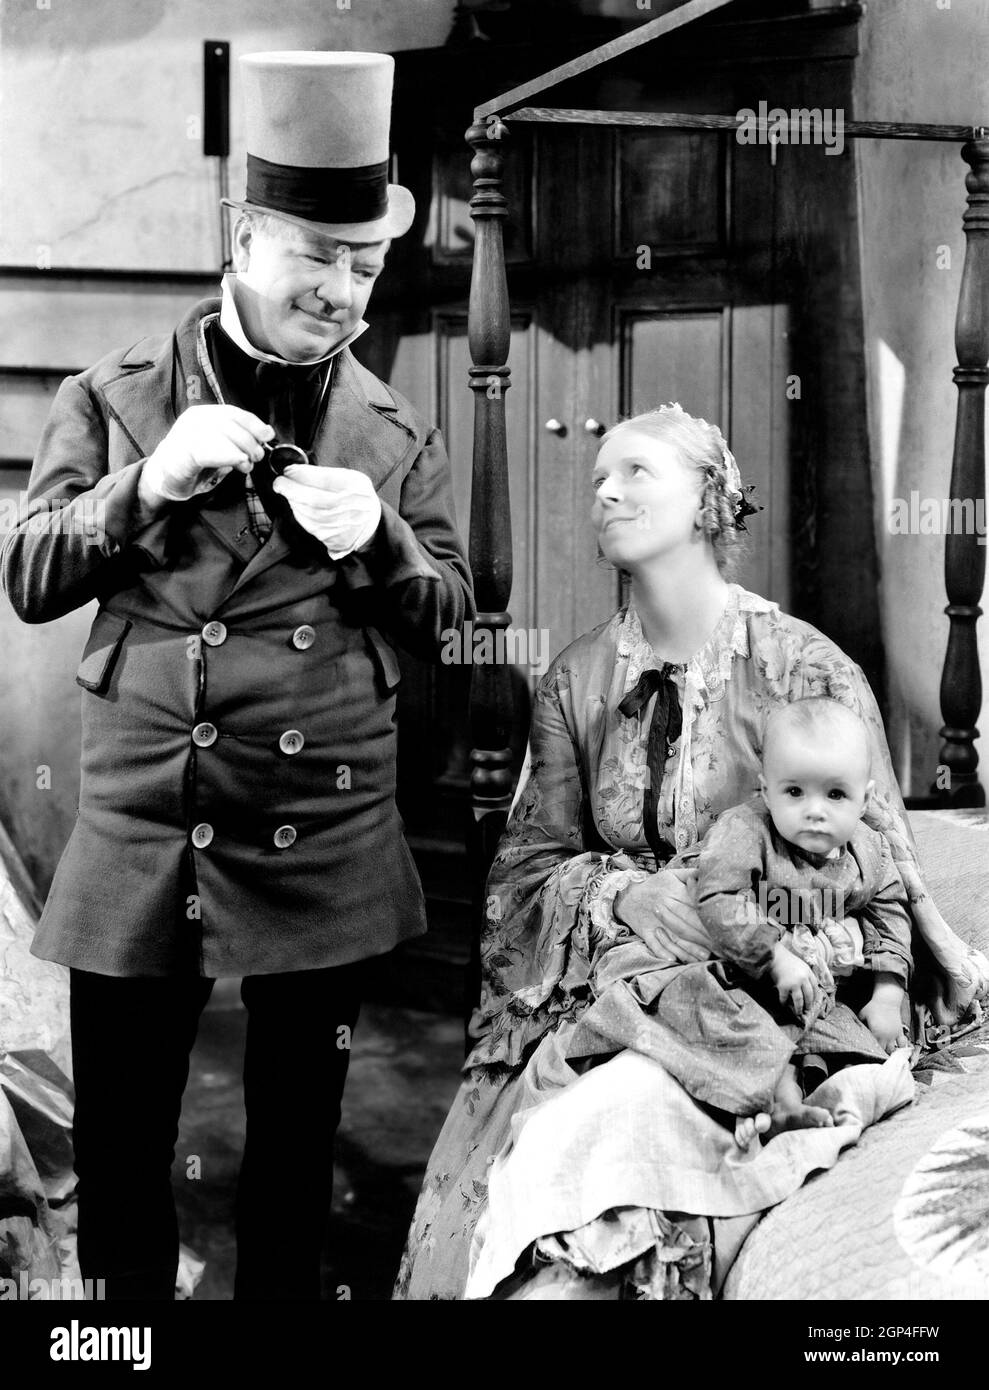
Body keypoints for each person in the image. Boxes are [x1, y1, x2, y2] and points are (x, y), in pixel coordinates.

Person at [0, 51, 472, 1301]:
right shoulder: (112, 396)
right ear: (245, 236)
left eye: (363, 265)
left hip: (322, 833)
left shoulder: (395, 432)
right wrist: (147, 482)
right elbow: (32, 572)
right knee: (121, 1152)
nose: (340, 289)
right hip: (149, 830)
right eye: (314, 254)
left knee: (292, 1155)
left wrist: (380, 533)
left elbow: (450, 615)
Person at [395, 403, 987, 1302]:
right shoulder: (576, 677)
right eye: (597, 477)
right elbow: (524, 874)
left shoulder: (806, 668)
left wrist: (829, 960)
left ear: (710, 497)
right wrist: (626, 900)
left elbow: (881, 870)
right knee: (547, 1157)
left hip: (776, 988)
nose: (605, 491)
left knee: (633, 1139)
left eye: (636, 471)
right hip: (628, 979)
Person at [695, 697, 913, 1148]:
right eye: (794, 792)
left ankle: (827, 1094)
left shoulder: (868, 851)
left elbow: (891, 913)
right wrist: (774, 956)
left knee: (860, 1050)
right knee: (754, 1037)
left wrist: (889, 995)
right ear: (766, 789)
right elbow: (718, 895)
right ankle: (782, 1105)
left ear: (864, 798)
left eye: (836, 794)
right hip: (753, 976)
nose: (815, 810)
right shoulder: (746, 832)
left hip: (823, 990)